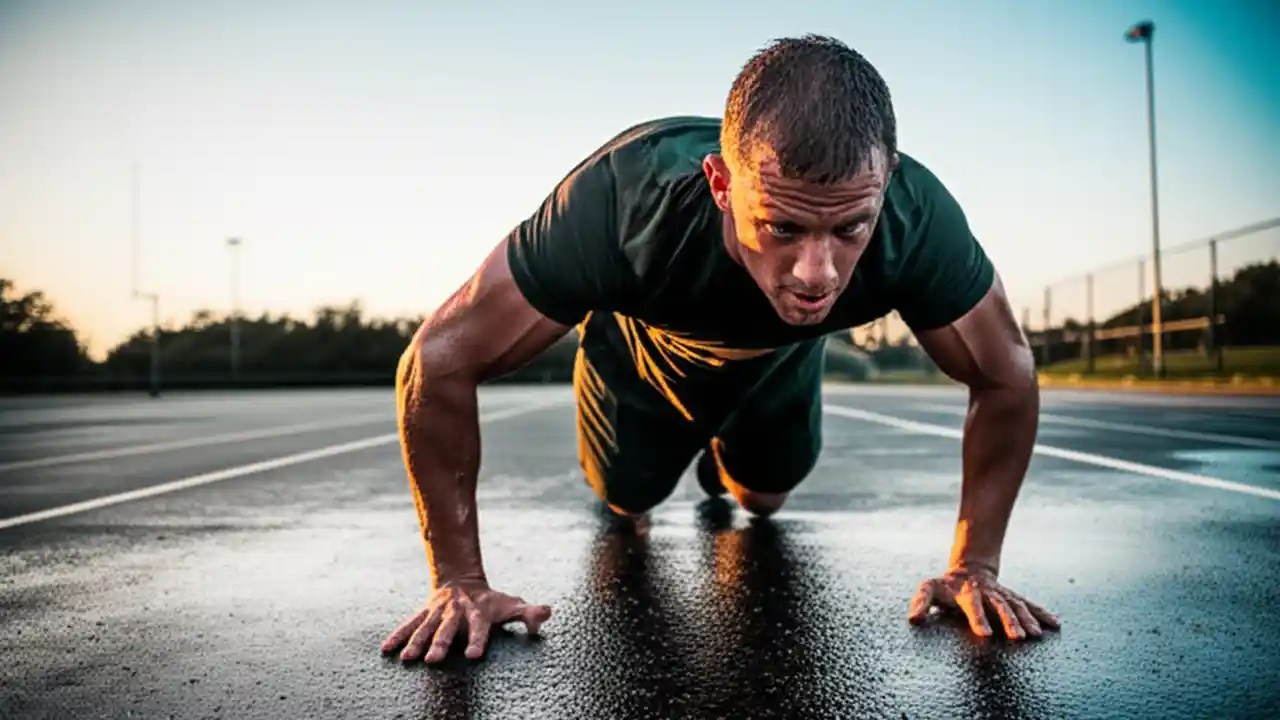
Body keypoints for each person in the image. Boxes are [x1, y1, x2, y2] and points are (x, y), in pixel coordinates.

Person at [380, 34, 1060, 665]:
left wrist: (975, 565)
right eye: (784, 226)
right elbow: (436, 360)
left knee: (761, 503)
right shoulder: (622, 200)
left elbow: (1008, 375)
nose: (817, 273)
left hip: (778, 367)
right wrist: (458, 581)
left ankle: (727, 452)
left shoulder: (918, 218)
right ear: (720, 186)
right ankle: (659, 436)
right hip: (641, 367)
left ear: (884, 185)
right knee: (628, 503)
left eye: (852, 226)